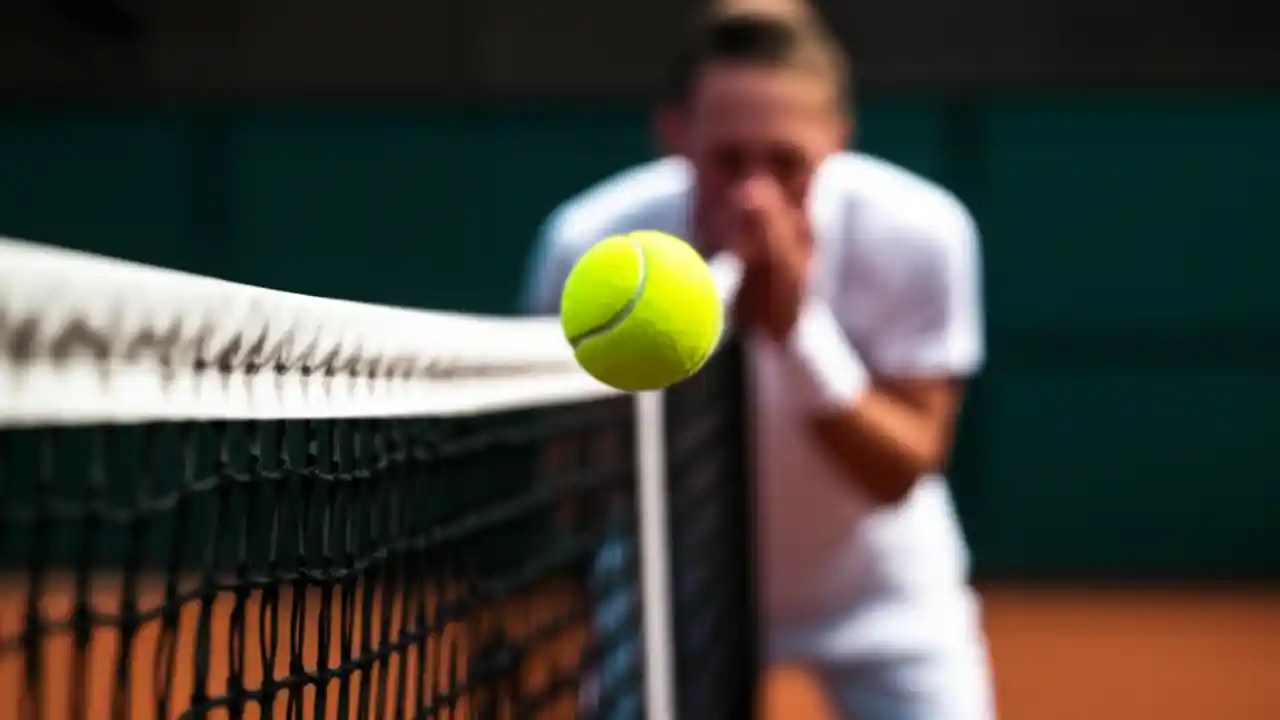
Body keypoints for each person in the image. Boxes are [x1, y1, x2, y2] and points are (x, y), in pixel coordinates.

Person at [520, 8, 994, 719]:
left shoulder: (923, 233)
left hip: (885, 593)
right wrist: (627, 393)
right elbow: (575, 497)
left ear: (838, 141)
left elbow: (902, 468)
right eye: (728, 160)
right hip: (673, 594)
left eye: (785, 162)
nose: (753, 194)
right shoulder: (590, 244)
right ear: (676, 135)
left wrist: (796, 332)